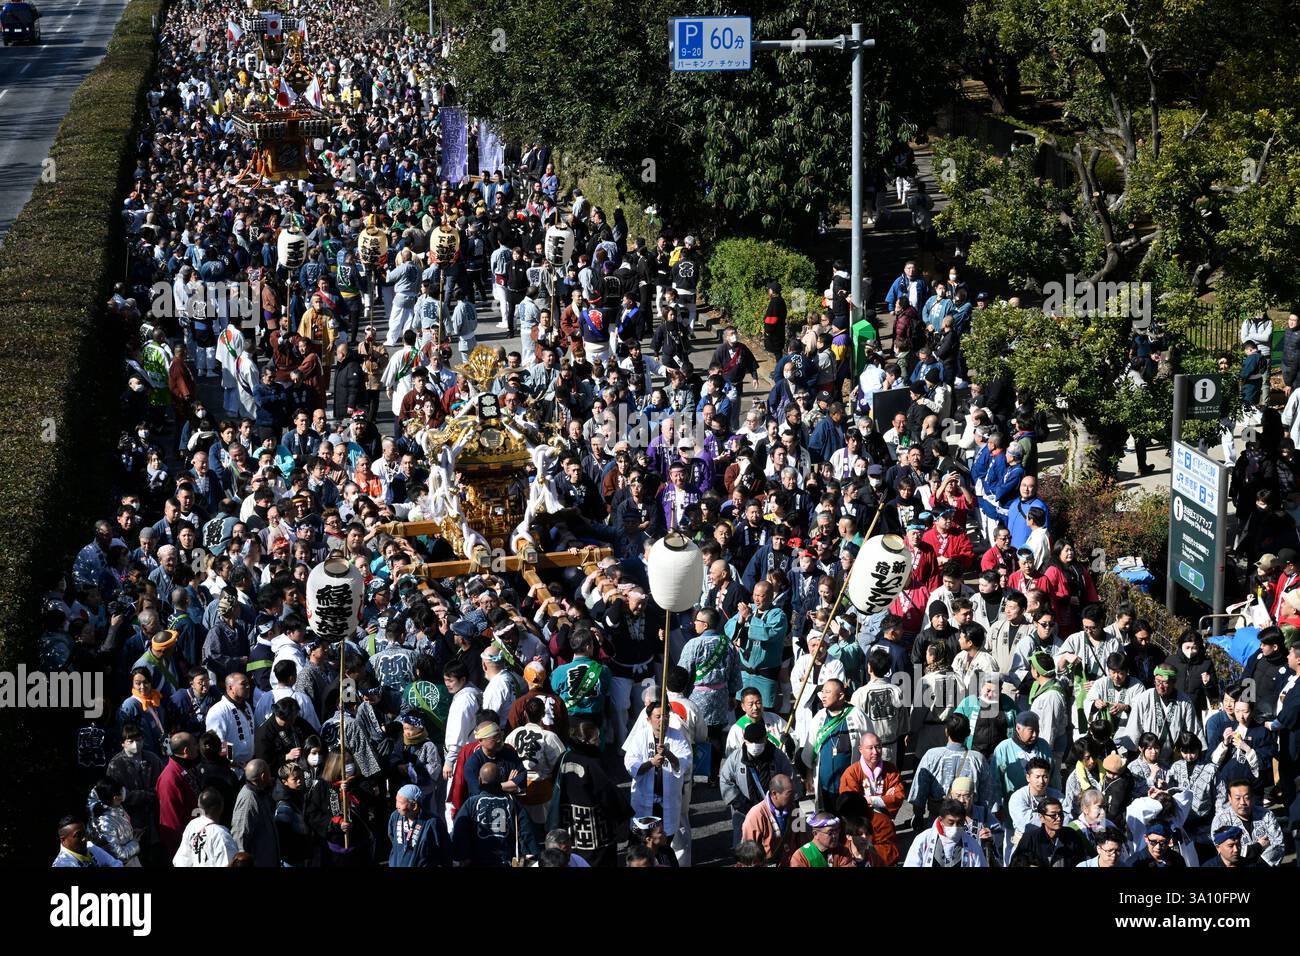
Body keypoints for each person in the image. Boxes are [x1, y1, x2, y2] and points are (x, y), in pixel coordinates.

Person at [623, 700, 694, 865]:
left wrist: (668, 754)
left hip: (667, 801)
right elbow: (630, 764)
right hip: (644, 800)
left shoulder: (677, 736)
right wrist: (650, 763)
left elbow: (684, 763)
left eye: (666, 716)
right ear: (648, 719)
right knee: (640, 843)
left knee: (663, 841)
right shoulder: (640, 736)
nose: (663, 720)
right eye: (658, 716)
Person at [720, 720, 798, 844]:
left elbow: (791, 780)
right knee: (745, 847)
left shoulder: (778, 756)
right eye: (751, 742)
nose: (755, 745)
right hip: (743, 813)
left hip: (774, 812)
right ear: (744, 741)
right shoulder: (735, 758)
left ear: (766, 739)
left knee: (774, 845)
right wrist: (740, 804)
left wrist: (782, 804)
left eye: (759, 741)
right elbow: (725, 781)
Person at [1009, 795, 1092, 867]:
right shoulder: (1030, 839)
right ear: (1041, 817)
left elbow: (1082, 861)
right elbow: (1016, 863)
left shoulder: (1071, 835)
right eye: (1053, 815)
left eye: (1060, 814)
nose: (1058, 818)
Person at [903, 798, 988, 867]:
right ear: (940, 820)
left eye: (959, 823)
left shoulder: (973, 846)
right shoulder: (923, 840)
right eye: (950, 822)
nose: (955, 827)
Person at [231, 758, 280, 867]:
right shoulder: (248, 799)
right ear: (263, 776)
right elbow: (240, 837)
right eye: (269, 773)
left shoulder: (260, 793)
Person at [388, 783, 451, 867]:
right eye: (396, 801)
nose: (396, 806)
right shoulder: (395, 816)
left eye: (400, 802)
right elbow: (392, 836)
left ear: (414, 806)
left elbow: (444, 850)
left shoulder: (432, 823)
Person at [173, 788, 238, 867]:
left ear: (199, 806)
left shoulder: (192, 825)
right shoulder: (221, 836)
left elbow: (181, 860)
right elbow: (229, 864)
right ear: (221, 806)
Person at [789, 813, 858, 867]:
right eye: (830, 832)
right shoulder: (801, 856)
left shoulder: (843, 851)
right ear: (815, 833)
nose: (835, 836)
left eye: (837, 831)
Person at [52, 817, 123, 868]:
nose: (84, 838)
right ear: (63, 840)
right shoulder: (62, 864)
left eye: (84, 833)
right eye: (78, 835)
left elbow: (118, 864)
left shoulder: (90, 846)